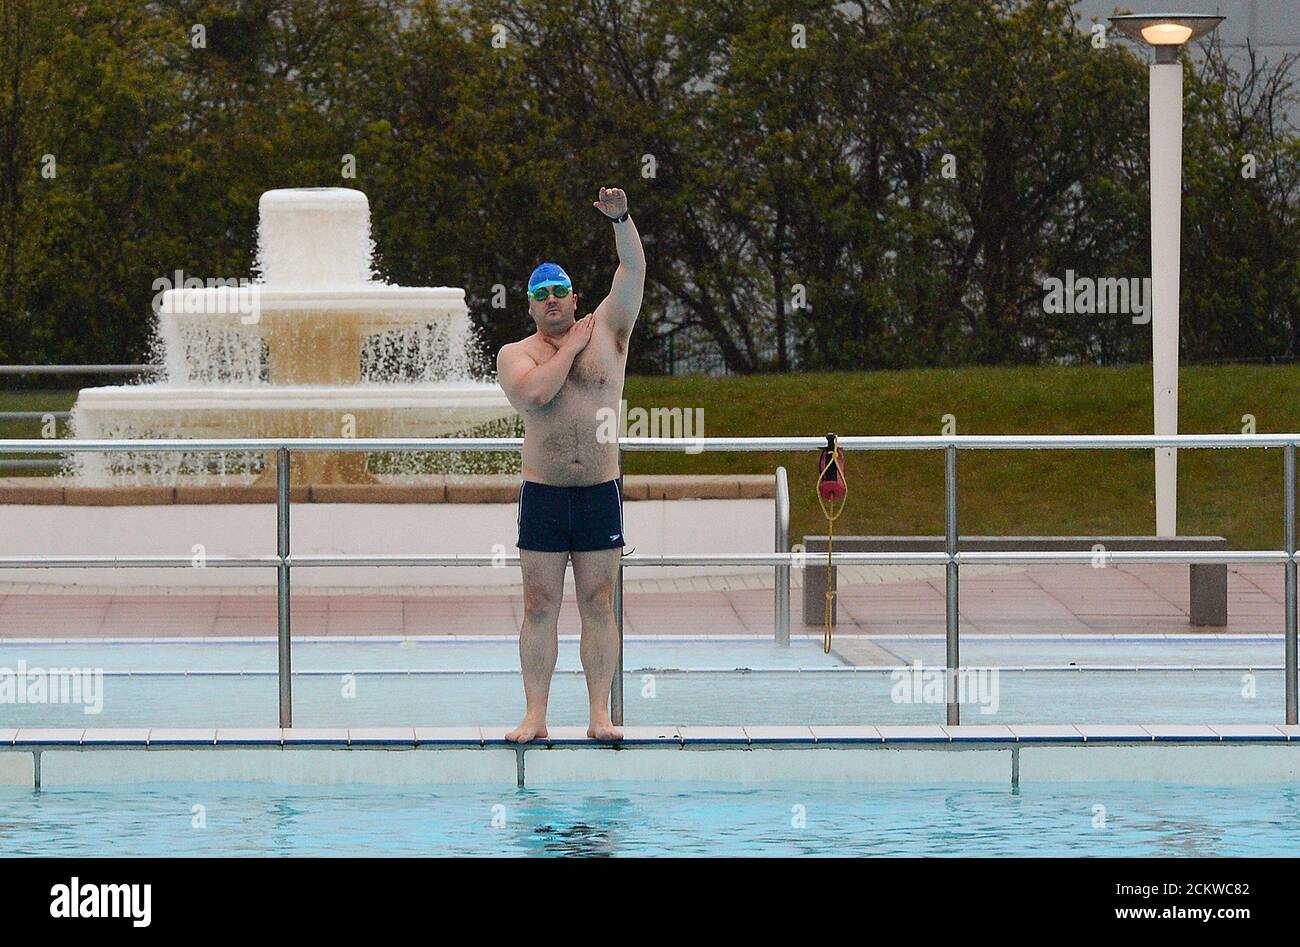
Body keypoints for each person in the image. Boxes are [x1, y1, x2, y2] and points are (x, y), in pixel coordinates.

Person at [495, 186, 645, 742]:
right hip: (545, 493)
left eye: (560, 291)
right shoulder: (519, 355)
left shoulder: (610, 330)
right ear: (531, 306)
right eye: (542, 295)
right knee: (539, 605)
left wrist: (621, 219)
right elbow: (535, 395)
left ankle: (599, 714)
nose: (552, 300)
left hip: (599, 490)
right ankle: (536, 714)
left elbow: (632, 269)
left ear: (576, 298)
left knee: (599, 603)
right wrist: (567, 350)